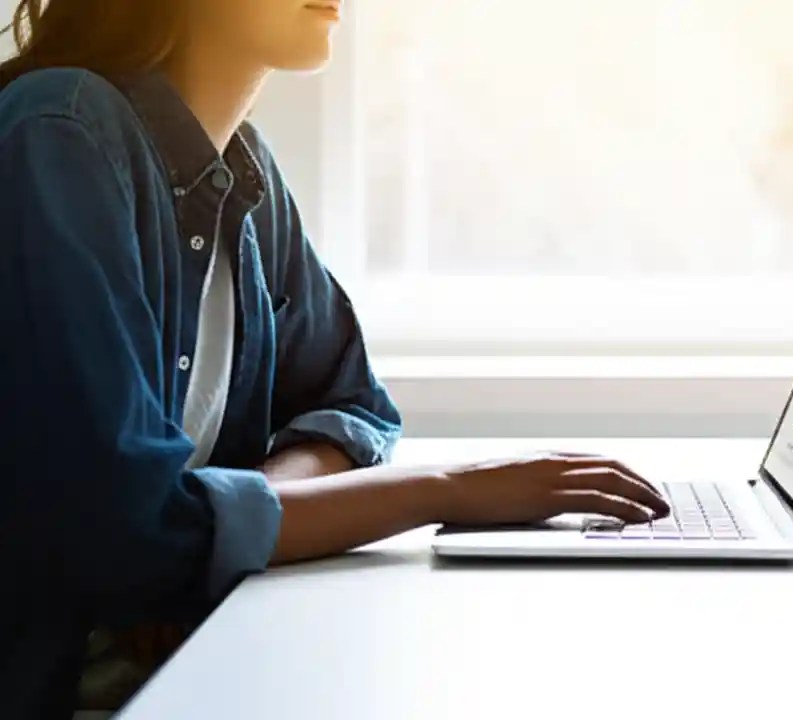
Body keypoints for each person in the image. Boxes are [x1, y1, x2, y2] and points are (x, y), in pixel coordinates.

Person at [0, 1, 670, 717]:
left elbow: (352, 405)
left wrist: (219, 540)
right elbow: (129, 527)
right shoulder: (59, 132)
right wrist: (447, 489)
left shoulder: (245, 176)